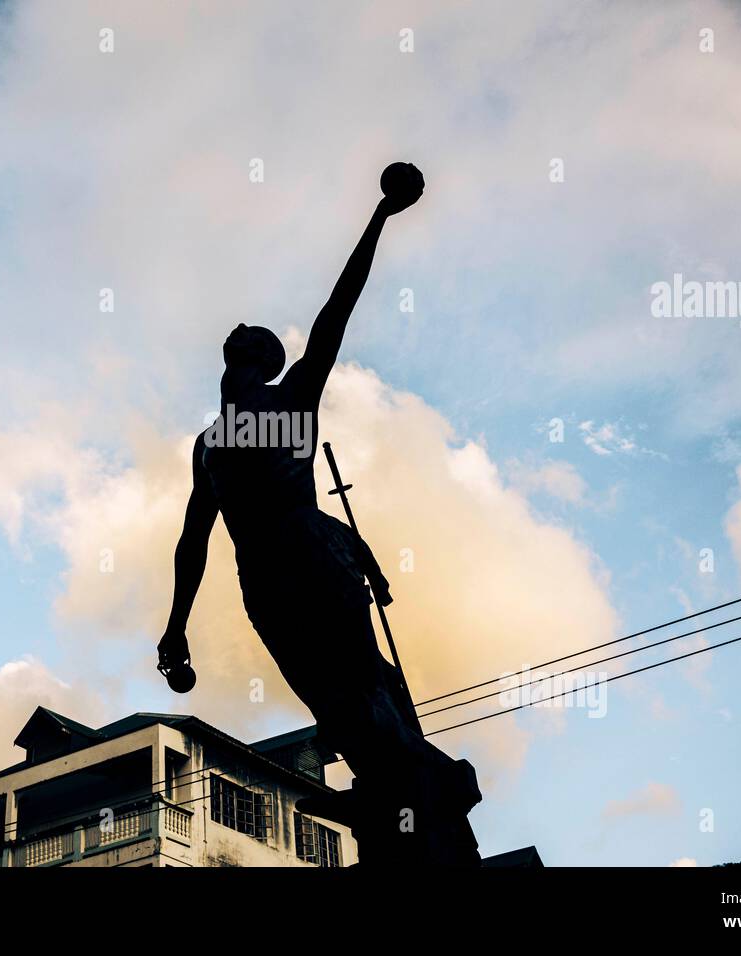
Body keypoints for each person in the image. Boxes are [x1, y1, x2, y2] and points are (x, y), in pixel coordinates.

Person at [158, 165, 481, 864]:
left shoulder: (293, 397)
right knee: (325, 700)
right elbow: (193, 541)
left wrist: (379, 218)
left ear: (265, 359)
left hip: (308, 549)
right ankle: (383, 788)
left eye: (253, 333)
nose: (240, 328)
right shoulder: (208, 445)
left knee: (362, 679)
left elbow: (339, 308)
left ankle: (414, 794)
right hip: (261, 579)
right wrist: (175, 625)